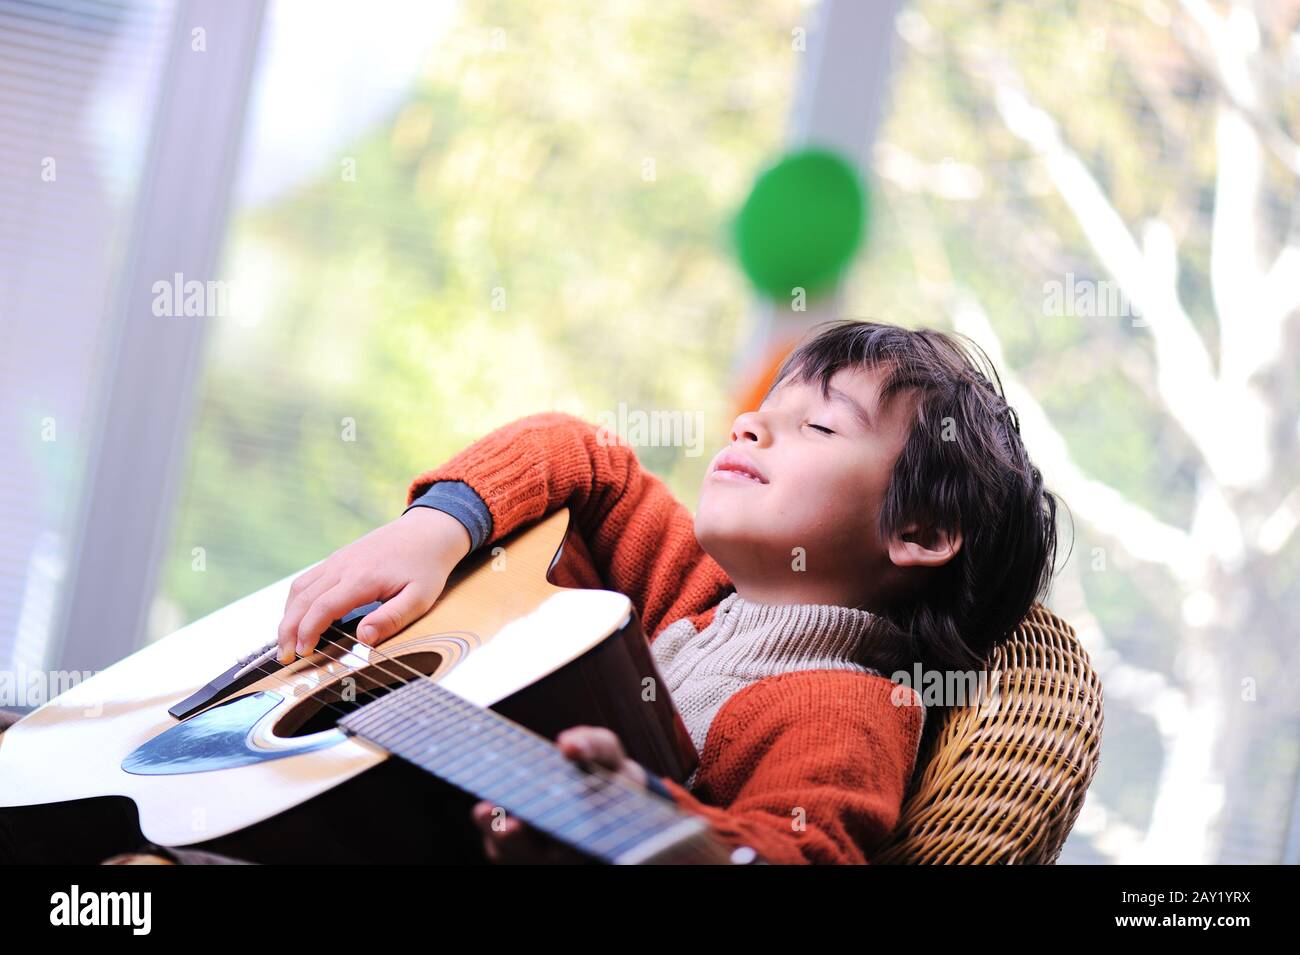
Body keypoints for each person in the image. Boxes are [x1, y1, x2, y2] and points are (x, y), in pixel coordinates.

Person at [269, 318, 1060, 865]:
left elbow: (797, 851)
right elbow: (582, 452)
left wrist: (652, 822)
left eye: (819, 427)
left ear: (918, 533)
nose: (748, 425)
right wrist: (436, 527)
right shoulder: (698, 592)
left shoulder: (845, 708)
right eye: (762, 411)